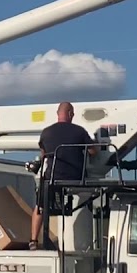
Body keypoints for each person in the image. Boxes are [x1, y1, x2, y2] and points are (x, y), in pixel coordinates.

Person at [30, 101, 98, 248]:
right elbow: (93, 151)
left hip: (51, 178)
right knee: (88, 199)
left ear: (57, 114)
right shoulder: (79, 131)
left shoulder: (46, 132)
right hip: (74, 178)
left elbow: (43, 155)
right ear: (70, 114)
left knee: (40, 206)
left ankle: (33, 240)